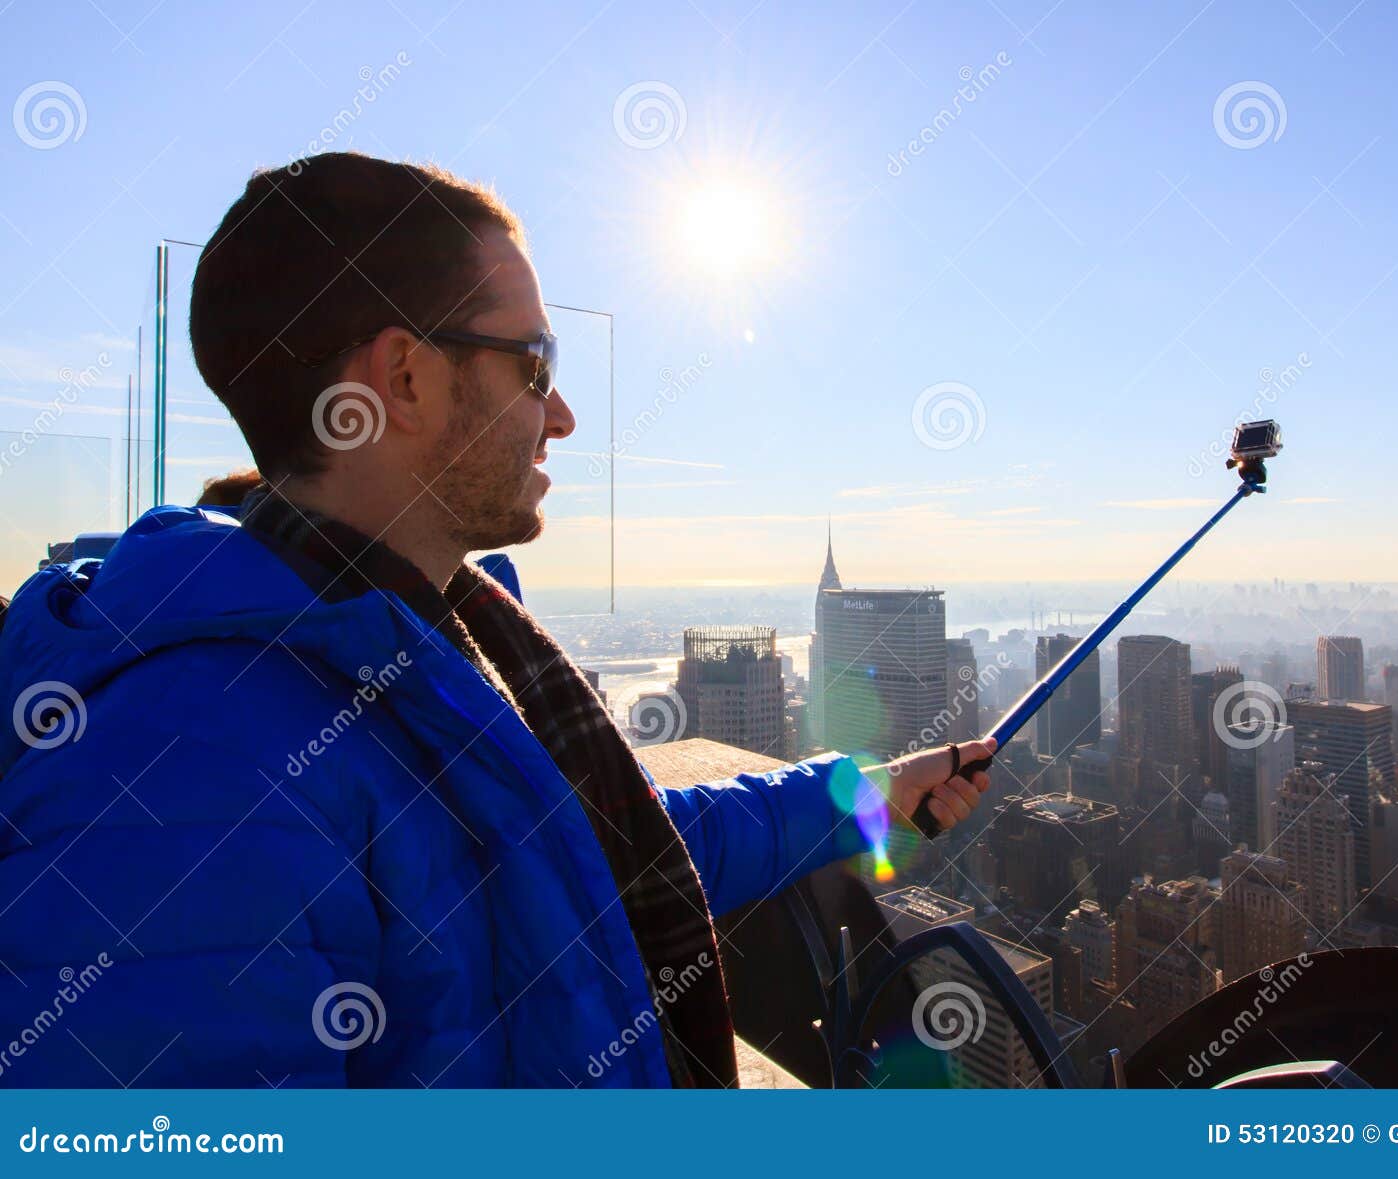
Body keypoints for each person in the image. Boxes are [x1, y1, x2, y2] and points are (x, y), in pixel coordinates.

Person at [0, 153, 993, 1088]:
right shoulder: (187, 776)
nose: (558, 415)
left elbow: (591, 850)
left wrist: (863, 800)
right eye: (532, 361)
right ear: (406, 378)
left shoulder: (416, 638)